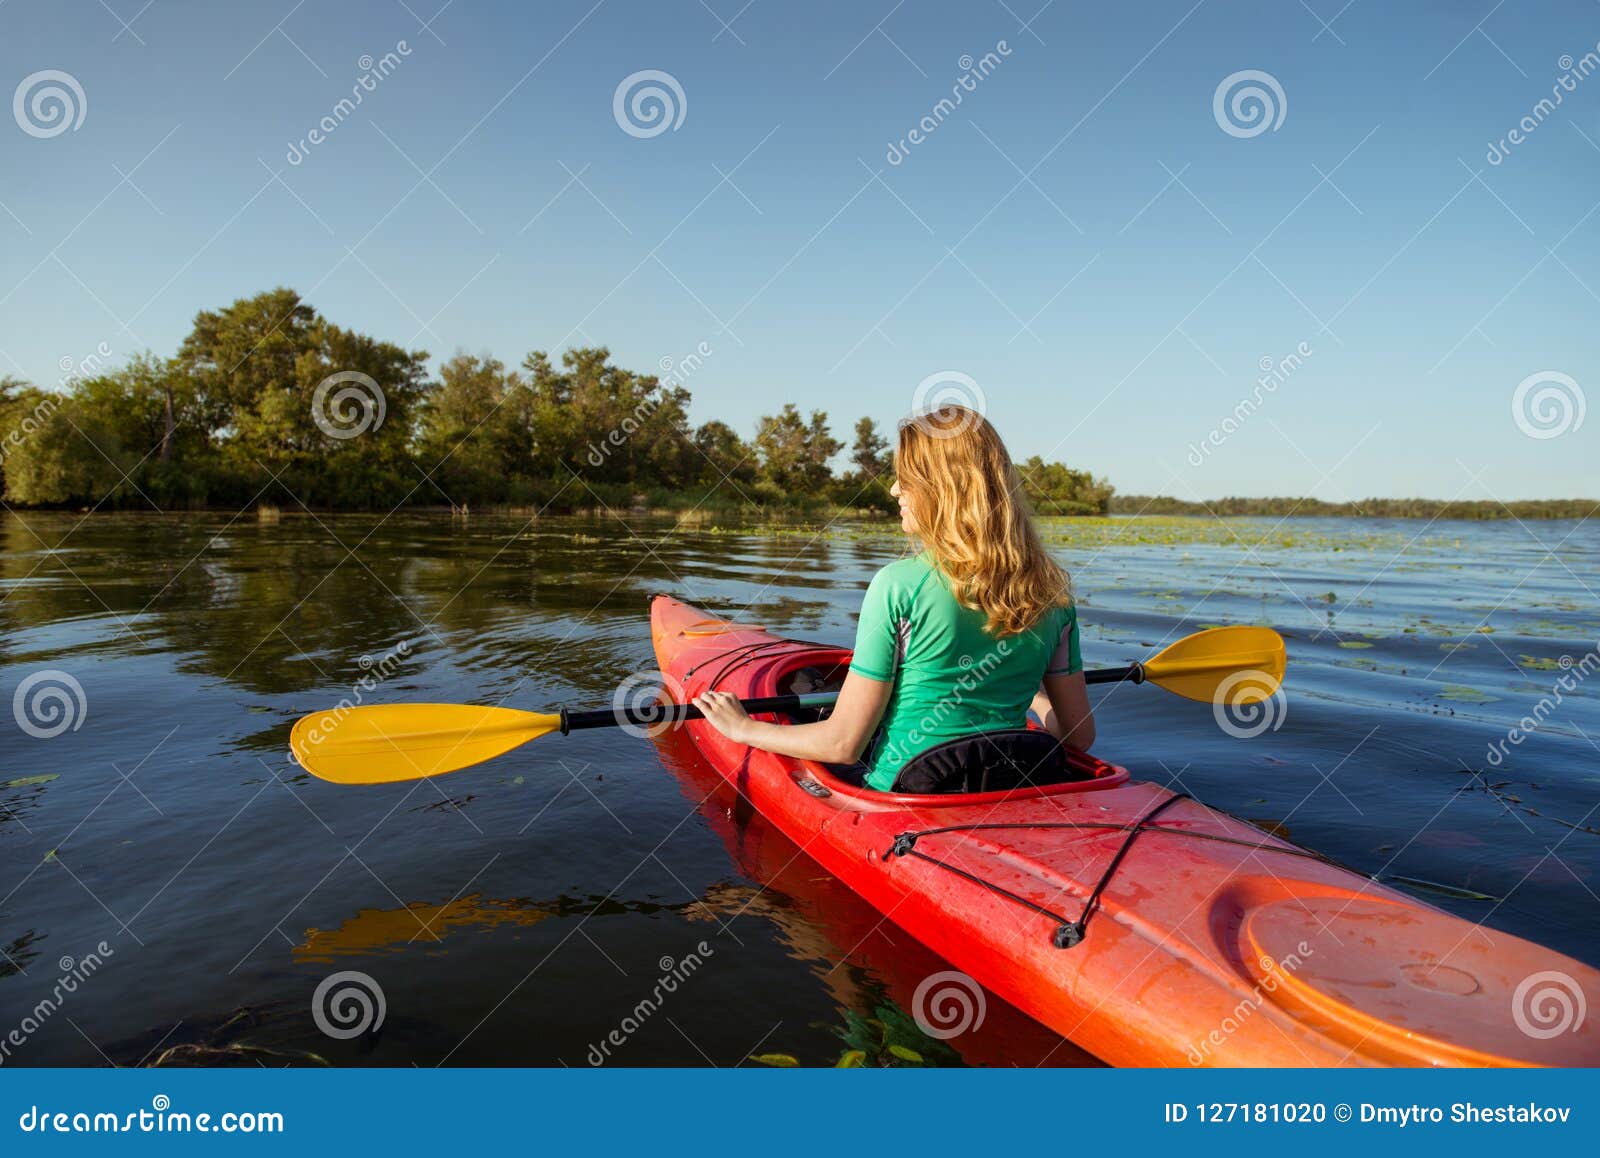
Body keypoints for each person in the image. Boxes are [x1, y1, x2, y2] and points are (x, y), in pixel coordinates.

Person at [694, 405, 1094, 792]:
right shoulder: (1052, 591)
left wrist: (743, 727)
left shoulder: (898, 586)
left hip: (906, 792)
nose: (894, 489)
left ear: (942, 490)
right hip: (1005, 783)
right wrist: (1038, 699)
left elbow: (843, 745)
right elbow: (1078, 736)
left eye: (905, 478)